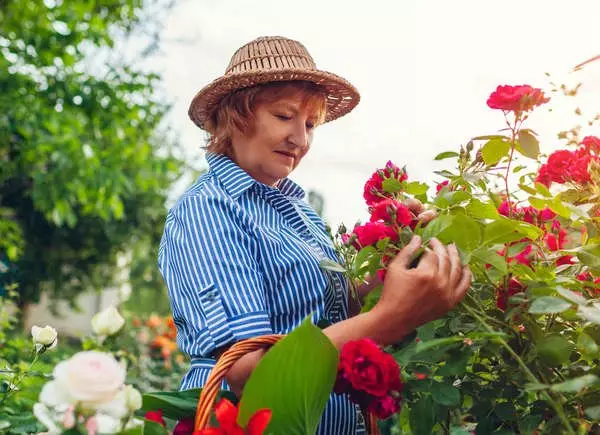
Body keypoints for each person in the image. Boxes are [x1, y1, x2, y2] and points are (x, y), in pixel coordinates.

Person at [158, 36, 472, 434]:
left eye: (309, 125)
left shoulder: (299, 211)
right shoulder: (208, 210)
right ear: (233, 118)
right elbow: (246, 372)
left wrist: (392, 266)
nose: (301, 140)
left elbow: (322, 316)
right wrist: (389, 317)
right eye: (284, 116)